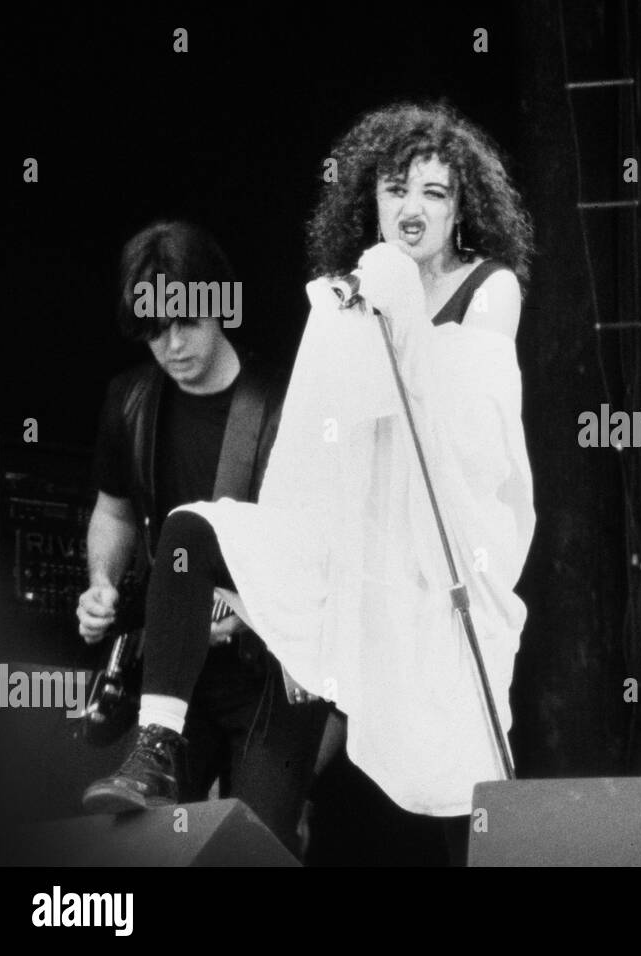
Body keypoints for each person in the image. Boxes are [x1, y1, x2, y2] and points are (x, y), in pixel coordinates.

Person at [82, 101, 537, 867]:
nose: (412, 208)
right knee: (195, 530)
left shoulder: (489, 286)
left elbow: (463, 416)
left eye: (434, 192)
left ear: (463, 209)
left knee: (458, 768)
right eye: (396, 190)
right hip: (353, 541)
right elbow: (316, 451)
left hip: (446, 553)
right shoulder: (345, 293)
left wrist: (394, 297)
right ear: (371, 200)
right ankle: (153, 747)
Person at [77, 221, 331, 858]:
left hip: (266, 669)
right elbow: (112, 511)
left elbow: (325, 546)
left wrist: (246, 609)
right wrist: (102, 582)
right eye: (154, 330)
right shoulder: (130, 401)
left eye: (185, 321)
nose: (171, 344)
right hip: (175, 672)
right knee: (147, 845)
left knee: (252, 848)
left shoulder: (286, 405)